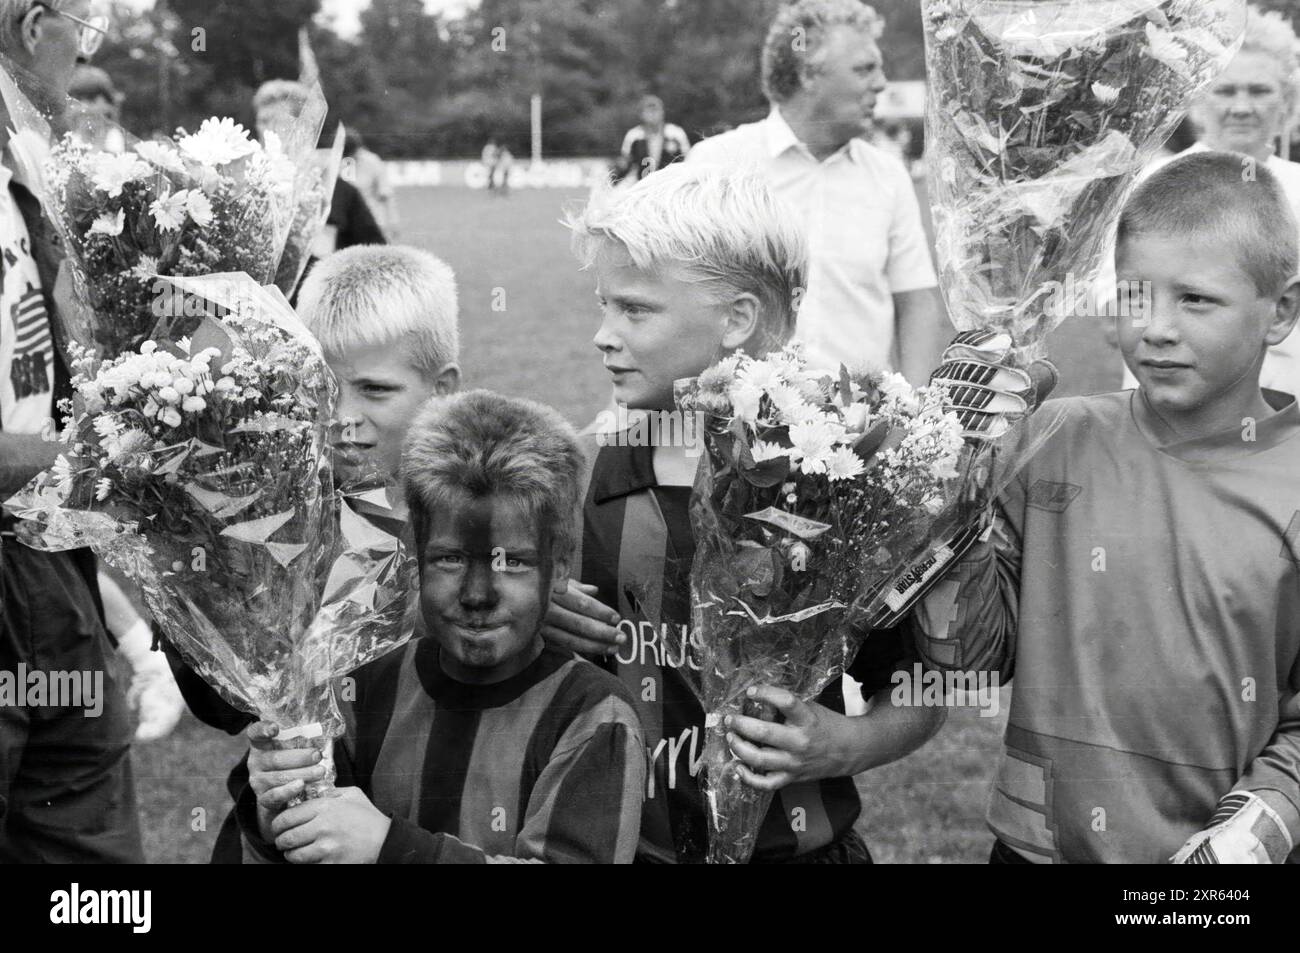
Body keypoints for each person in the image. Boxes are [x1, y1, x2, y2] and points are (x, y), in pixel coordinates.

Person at [545, 163, 943, 863]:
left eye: (634, 309)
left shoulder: (837, 484)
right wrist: (533, 615)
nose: (603, 335)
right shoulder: (578, 475)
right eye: (604, 306)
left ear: (738, 320)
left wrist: (842, 743)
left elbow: (917, 687)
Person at [916, 153, 1300, 864]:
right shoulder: (1051, 439)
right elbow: (971, 659)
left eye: (1196, 299)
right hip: (1035, 848)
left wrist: (1261, 824)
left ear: (1281, 311)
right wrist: (950, 490)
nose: (1155, 327)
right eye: (1133, 296)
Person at [236, 390, 646, 863]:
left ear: (558, 570)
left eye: (511, 562)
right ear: (415, 558)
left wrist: (393, 849)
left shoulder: (593, 718)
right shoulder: (359, 689)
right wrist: (279, 816)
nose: (477, 594)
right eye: (450, 558)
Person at [0, 0, 144, 863]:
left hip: (46, 559)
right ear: (29, 28)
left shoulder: (21, 175)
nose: (82, 60)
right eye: (80, 33)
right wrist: (113, 465)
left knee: (85, 861)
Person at [688, 0, 948, 386]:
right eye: (864, 69)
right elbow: (675, 296)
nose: (880, 83)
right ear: (808, 74)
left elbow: (916, 300)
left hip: (863, 433)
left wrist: (916, 410)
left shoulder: (889, 177)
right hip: (738, 430)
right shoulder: (716, 163)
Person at [1117, 5, 1300, 397]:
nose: (1241, 107)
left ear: (1287, 101)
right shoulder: (1147, 182)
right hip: (1168, 400)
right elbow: (1116, 297)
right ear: (1198, 98)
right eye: (1226, 90)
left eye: (1259, 91)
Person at [252, 80, 386, 257]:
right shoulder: (247, 188)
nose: (266, 130)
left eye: (276, 121)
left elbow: (379, 254)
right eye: (262, 121)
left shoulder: (337, 190)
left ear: (303, 128)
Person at [615, 95, 690, 183]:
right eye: (649, 111)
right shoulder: (634, 135)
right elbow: (625, 164)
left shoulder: (676, 133)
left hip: (672, 187)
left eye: (656, 110)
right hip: (644, 186)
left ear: (663, 112)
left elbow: (688, 161)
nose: (653, 114)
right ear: (641, 114)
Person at [341, 128, 398, 240]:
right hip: (349, 224)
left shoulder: (372, 162)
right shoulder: (345, 162)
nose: (349, 157)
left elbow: (385, 194)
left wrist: (393, 221)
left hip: (372, 222)